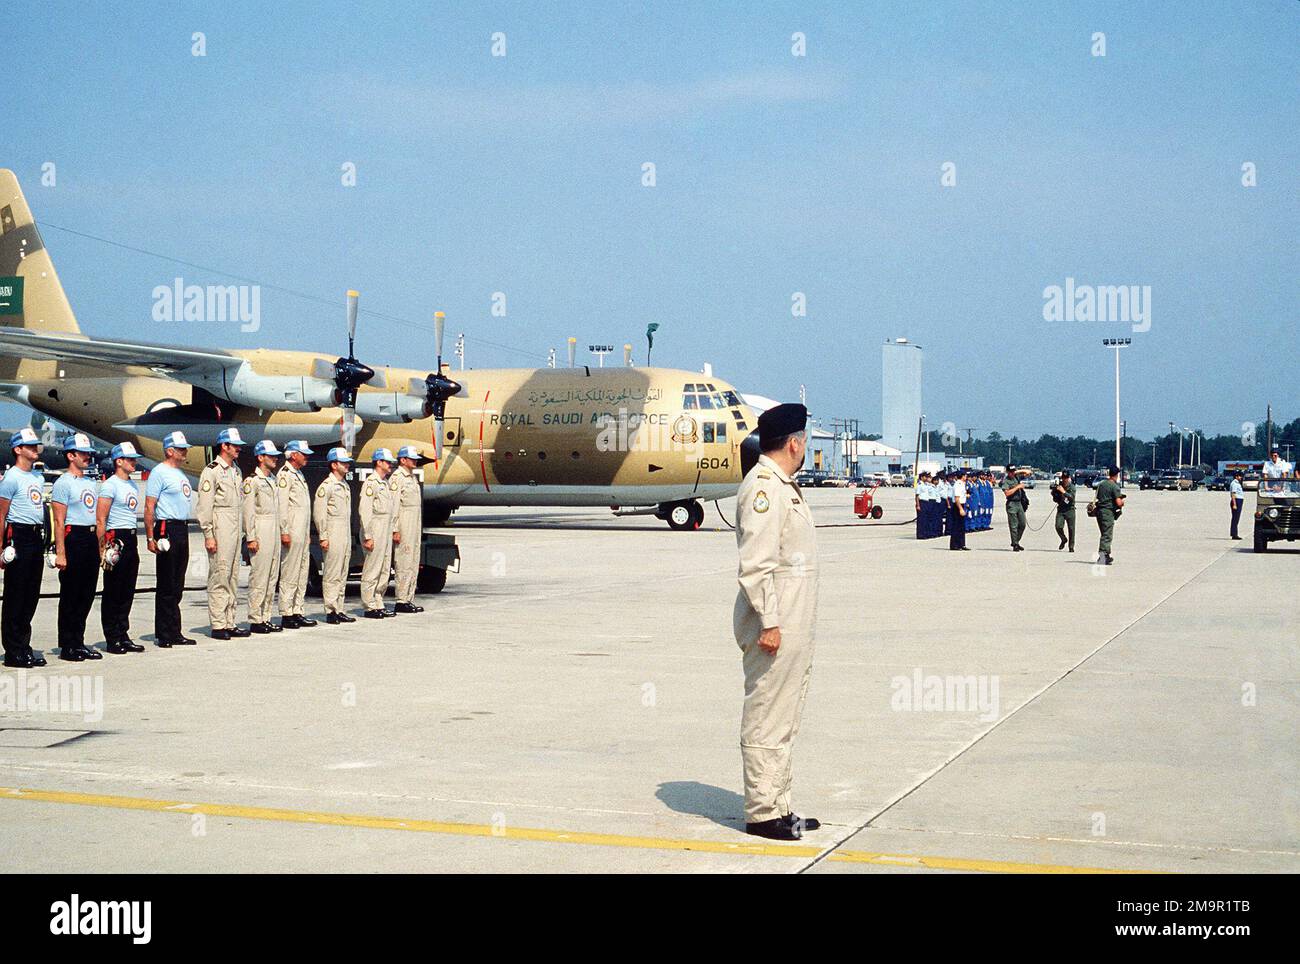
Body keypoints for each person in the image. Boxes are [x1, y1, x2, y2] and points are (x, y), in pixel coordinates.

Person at [733, 403, 820, 841]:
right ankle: (762, 811)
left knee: (784, 716)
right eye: (804, 440)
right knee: (767, 714)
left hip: (791, 623)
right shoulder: (764, 488)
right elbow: (756, 564)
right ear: (793, 443)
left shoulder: (784, 486)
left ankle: (780, 804)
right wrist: (769, 621)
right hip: (776, 626)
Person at [50, 433, 103, 661]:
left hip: (90, 538)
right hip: (74, 538)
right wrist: (61, 552)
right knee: (71, 593)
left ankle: (78, 640)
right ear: (70, 455)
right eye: (82, 454)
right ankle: (68, 644)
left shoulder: (90, 483)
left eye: (88, 454)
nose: (87, 457)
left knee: (87, 592)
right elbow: (59, 520)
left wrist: (101, 547)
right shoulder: (63, 483)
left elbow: (98, 517)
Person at [0, 427, 50, 668]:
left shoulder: (37, 478)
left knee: (31, 594)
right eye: (30, 446)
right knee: (15, 595)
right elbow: (1, 515)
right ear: (18, 449)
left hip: (34, 536)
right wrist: (0, 547)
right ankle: (13, 650)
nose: (35, 449)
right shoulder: (11, 479)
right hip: (17, 535)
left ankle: (24, 645)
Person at [145, 431, 197, 648]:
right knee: (166, 582)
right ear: (169, 450)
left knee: (178, 583)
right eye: (181, 448)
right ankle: (164, 633)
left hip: (182, 528)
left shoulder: (180, 474)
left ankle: (175, 630)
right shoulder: (160, 472)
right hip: (167, 527)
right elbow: (149, 506)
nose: (185, 452)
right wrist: (150, 536)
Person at [196, 428, 249, 640]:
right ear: (224, 446)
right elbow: (205, 506)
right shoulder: (212, 471)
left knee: (233, 575)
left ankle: (230, 620)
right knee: (220, 574)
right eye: (234, 445)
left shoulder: (236, 471)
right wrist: (208, 533)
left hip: (235, 528)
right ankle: (218, 624)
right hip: (221, 525)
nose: (238, 448)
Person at [97, 442, 145, 653]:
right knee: (113, 590)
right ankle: (112, 636)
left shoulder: (132, 485)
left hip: (131, 536)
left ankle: (123, 633)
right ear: (119, 461)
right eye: (130, 459)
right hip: (116, 537)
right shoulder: (110, 485)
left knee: (127, 589)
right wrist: (103, 548)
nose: (134, 462)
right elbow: (101, 518)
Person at [242, 440, 283, 633]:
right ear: (260, 457)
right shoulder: (252, 481)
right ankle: (255, 618)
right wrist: (251, 536)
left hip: (273, 529)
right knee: (259, 576)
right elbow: (248, 510)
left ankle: (265, 616)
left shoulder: (273, 479)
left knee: (272, 575)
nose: (275, 458)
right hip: (261, 528)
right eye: (271, 455)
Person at [277, 440, 316, 628]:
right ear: (293, 455)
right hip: (292, 531)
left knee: (302, 572)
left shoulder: (298, 474)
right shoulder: (285, 475)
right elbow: (282, 506)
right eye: (303, 453)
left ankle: (297, 610)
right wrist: (284, 531)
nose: (306, 456)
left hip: (301, 532)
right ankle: (286, 612)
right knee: (290, 573)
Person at [314, 448, 354, 624]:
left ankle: (339, 607)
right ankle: (330, 610)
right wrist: (323, 535)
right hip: (333, 531)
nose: (347, 465)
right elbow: (320, 513)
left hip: (344, 532)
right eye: (343, 462)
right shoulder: (327, 486)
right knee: (332, 572)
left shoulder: (344, 485)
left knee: (343, 570)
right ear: (334, 464)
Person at [359, 448, 399, 618]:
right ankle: (369, 605)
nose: (390, 465)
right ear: (379, 463)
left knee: (384, 568)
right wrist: (368, 536)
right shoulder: (371, 483)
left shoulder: (385, 483)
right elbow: (365, 510)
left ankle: (378, 601)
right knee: (373, 568)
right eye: (387, 462)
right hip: (375, 527)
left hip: (385, 527)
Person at [391, 445, 425, 614]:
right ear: (403, 460)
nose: (415, 461)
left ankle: (408, 598)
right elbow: (395, 504)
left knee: (413, 560)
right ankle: (401, 599)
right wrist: (395, 528)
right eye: (411, 458)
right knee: (404, 561)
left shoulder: (412, 477)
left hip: (414, 523)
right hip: (404, 523)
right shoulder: (398, 478)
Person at [1094, 464, 1125, 565]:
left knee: (1104, 533)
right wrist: (1122, 502)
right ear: (1116, 475)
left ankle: (1106, 555)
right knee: (1107, 535)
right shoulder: (1114, 486)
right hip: (1107, 512)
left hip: (1099, 512)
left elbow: (1098, 496)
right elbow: (1118, 502)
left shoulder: (1102, 484)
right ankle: (1102, 556)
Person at [1001, 467, 1029, 551]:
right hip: (1012, 504)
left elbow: (1028, 472)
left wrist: (1017, 471)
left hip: (1019, 503)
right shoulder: (1006, 481)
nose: (1013, 473)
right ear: (1008, 472)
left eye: (1014, 471)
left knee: (1022, 524)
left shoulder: (1016, 477)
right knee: (1014, 525)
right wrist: (1017, 487)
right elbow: (1007, 493)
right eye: (1011, 472)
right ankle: (1015, 544)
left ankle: (1016, 541)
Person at [1053, 469, 1077, 552]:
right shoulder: (1059, 486)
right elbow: (1055, 499)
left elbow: (1071, 498)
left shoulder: (1072, 487)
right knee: (1058, 526)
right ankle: (1063, 539)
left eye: (1066, 478)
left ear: (1069, 478)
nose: (1065, 480)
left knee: (1071, 529)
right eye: (1063, 478)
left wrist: (1063, 492)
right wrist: (1055, 493)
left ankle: (1071, 546)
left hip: (1070, 509)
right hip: (1061, 509)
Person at [949, 469, 968, 550]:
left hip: (962, 504)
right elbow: (957, 499)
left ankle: (961, 544)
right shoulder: (957, 485)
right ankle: (955, 545)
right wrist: (960, 509)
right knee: (956, 526)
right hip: (957, 506)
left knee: (961, 526)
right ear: (962, 476)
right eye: (965, 475)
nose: (966, 477)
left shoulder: (962, 484)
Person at [1228, 471, 1245, 540]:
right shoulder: (1234, 483)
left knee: (1236, 518)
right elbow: (1233, 494)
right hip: (1236, 501)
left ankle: (1234, 533)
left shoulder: (1238, 483)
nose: (1241, 477)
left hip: (1239, 500)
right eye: (1240, 476)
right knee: (1235, 518)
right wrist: (1234, 504)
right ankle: (1234, 534)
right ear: (1236, 476)